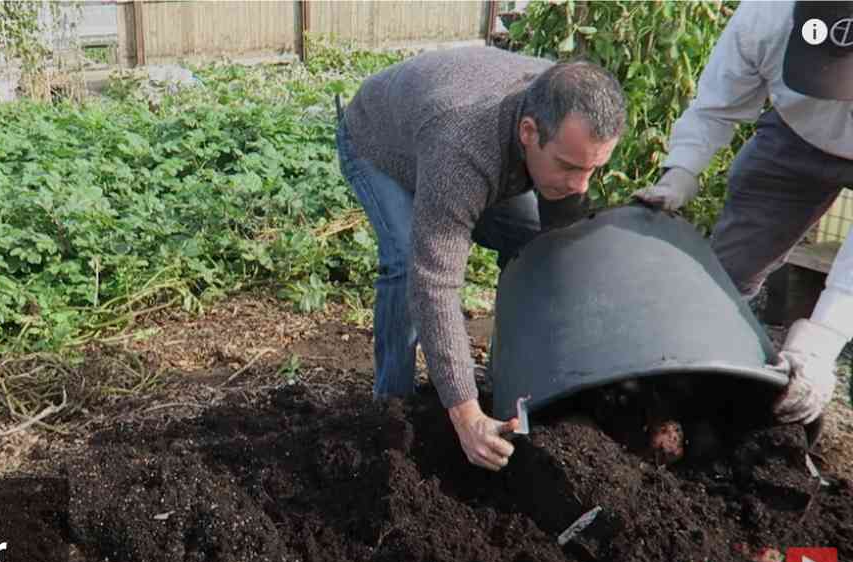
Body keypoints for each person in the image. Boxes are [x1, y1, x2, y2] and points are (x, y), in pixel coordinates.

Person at [337, 47, 626, 470]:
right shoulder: (463, 151)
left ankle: (508, 383)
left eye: (593, 169)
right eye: (567, 166)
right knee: (405, 262)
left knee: (531, 245)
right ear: (529, 132)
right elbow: (434, 281)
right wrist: (465, 412)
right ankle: (392, 406)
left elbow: (558, 242)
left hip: (455, 136)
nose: (580, 185)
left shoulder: (566, 108)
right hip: (379, 142)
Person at [634, 1, 853, 435]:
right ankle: (687, 389)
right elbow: (716, 104)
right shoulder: (767, 16)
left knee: (826, 337)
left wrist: (824, 337)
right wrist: (681, 174)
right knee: (723, 276)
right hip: (795, 136)